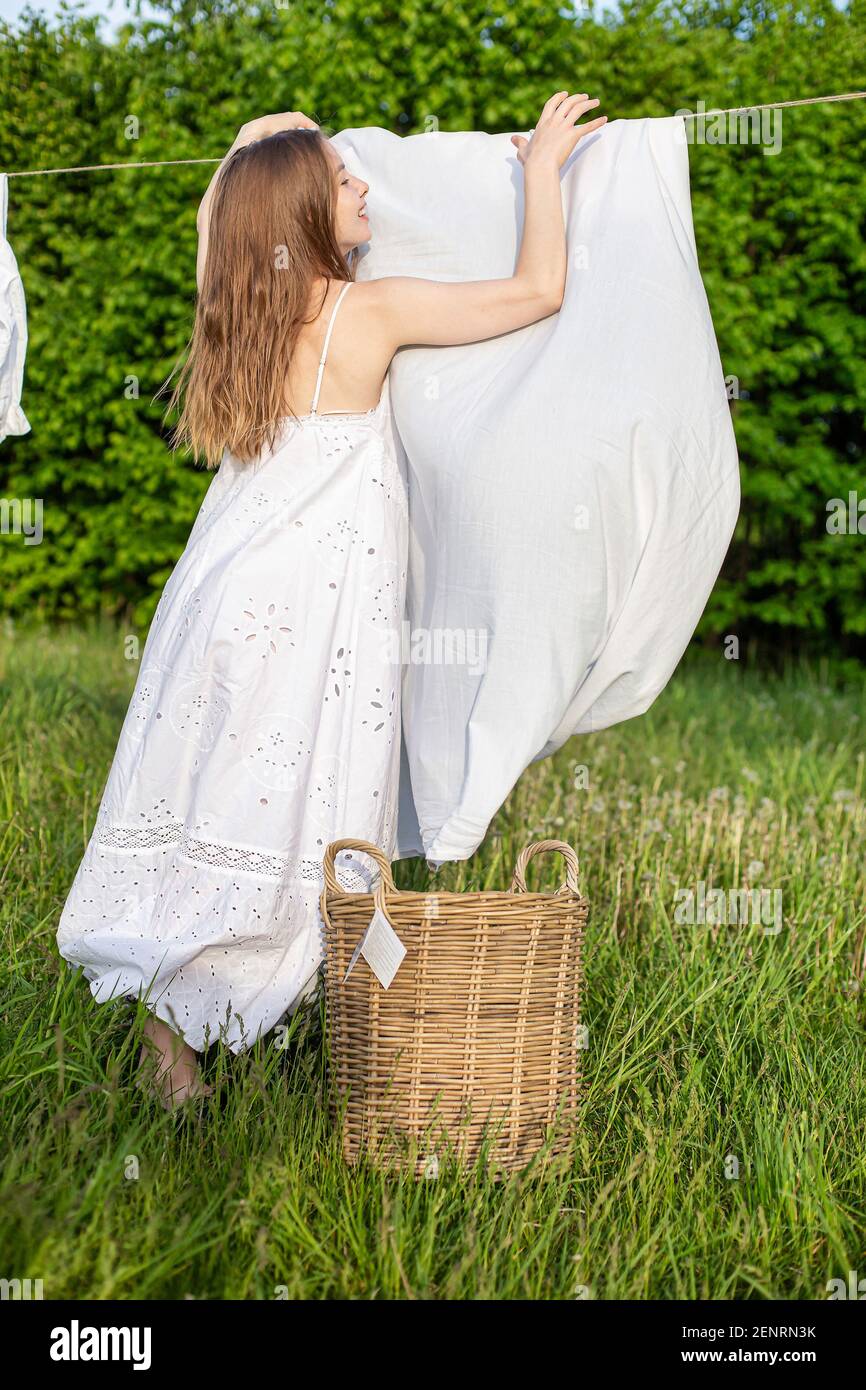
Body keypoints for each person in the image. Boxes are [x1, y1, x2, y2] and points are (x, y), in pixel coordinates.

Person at [55, 92, 606, 1107]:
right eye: (342, 177)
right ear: (304, 207)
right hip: (311, 613)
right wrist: (541, 169)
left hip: (219, 599)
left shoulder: (242, 314)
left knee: (216, 798)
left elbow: (222, 207)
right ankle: (215, 1022)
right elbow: (538, 289)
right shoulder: (368, 308)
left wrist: (280, 135)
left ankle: (195, 1015)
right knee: (297, 807)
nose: (363, 186)